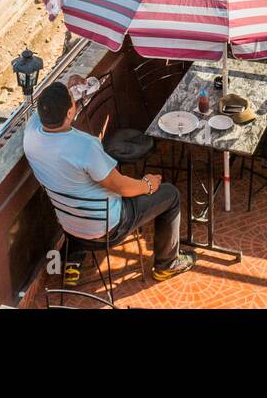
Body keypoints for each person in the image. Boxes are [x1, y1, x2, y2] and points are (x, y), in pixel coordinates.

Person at [23, 80, 195, 284]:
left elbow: (50, 107)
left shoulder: (31, 133)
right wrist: (148, 184)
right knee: (170, 195)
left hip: (69, 225)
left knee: (74, 190)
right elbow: (121, 187)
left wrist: (69, 92)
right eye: (72, 103)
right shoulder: (85, 147)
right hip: (110, 228)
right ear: (70, 113)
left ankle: (73, 259)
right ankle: (167, 264)